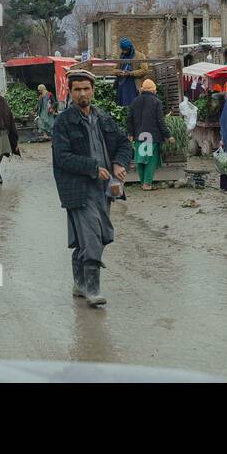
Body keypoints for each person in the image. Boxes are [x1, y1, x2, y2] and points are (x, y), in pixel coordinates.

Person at [52, 67, 133, 307]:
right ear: (70, 92)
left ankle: (79, 282)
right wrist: (93, 168)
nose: (82, 94)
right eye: (77, 90)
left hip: (104, 191)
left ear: (93, 91)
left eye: (86, 89)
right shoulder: (63, 122)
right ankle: (92, 289)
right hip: (78, 189)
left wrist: (118, 163)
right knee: (92, 238)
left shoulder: (103, 118)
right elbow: (63, 158)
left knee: (101, 236)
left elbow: (123, 144)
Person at [126, 78, 173, 191]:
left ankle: (143, 182)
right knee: (150, 161)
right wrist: (168, 135)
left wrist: (130, 133)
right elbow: (160, 121)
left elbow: (129, 119)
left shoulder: (135, 101)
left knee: (141, 160)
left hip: (139, 136)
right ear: (153, 90)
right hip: (151, 136)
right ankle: (147, 184)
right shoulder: (156, 102)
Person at [114, 38, 149, 108]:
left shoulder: (140, 56)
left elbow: (144, 70)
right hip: (122, 86)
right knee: (122, 107)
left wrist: (130, 73)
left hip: (134, 86)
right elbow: (114, 69)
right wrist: (119, 72)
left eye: (125, 50)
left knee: (134, 106)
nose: (124, 51)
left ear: (130, 48)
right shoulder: (121, 57)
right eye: (122, 49)